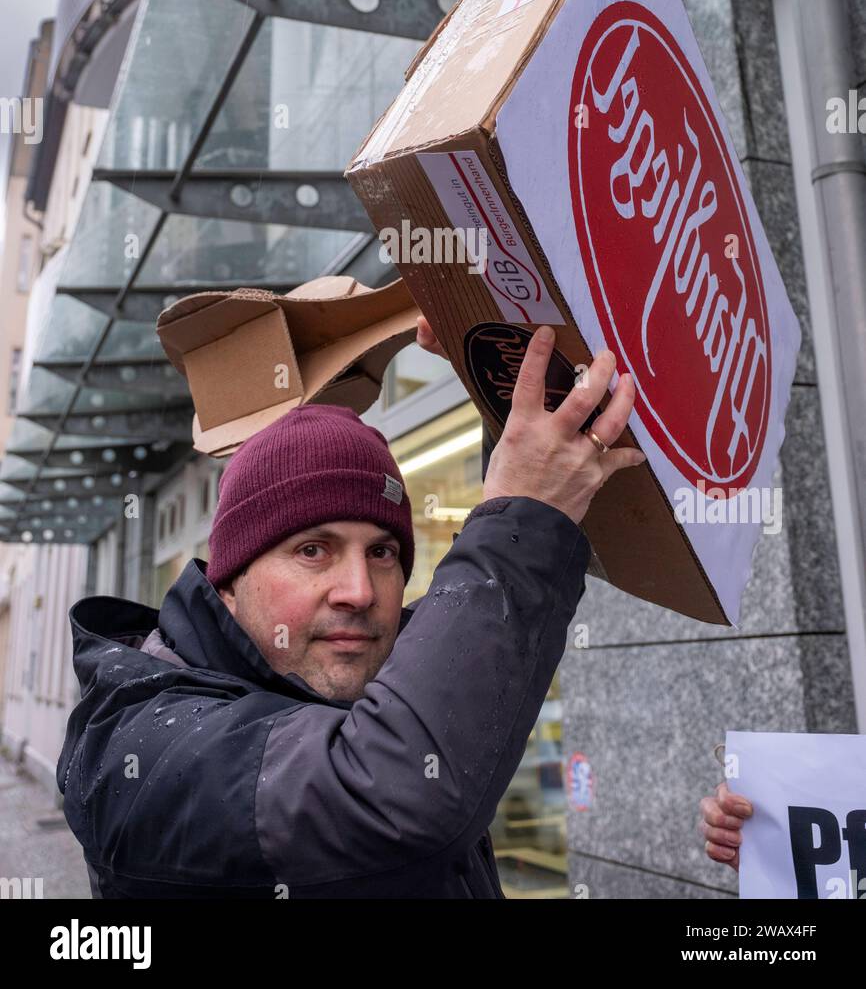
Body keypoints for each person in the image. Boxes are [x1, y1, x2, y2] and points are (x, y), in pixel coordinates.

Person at [57, 319, 645, 898]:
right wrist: (526, 514)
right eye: (313, 550)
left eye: (383, 552)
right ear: (229, 579)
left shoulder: (355, 678)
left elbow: (459, 649)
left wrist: (508, 408)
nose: (360, 591)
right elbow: (386, 796)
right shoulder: (141, 746)